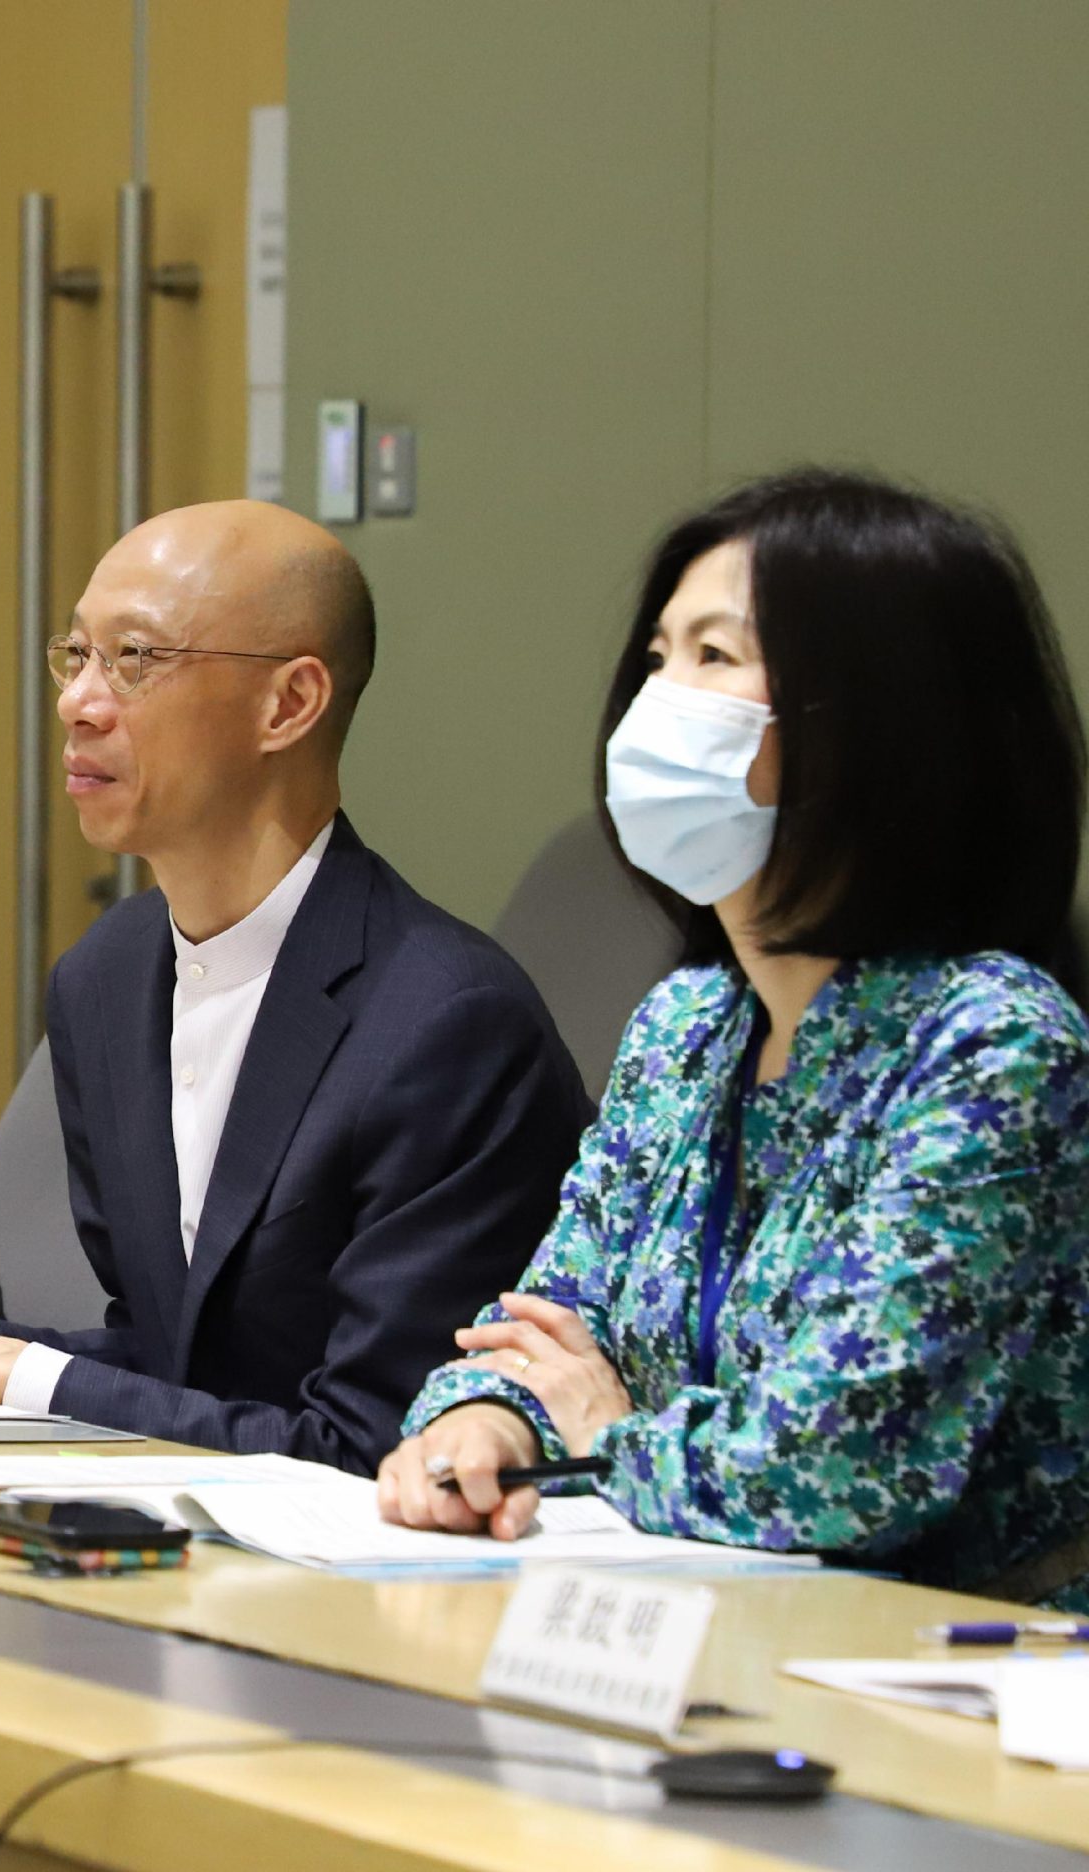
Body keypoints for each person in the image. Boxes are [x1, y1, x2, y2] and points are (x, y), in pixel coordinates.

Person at [0, 500, 586, 1471]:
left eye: (134, 659)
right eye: (75, 655)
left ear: (288, 704)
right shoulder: (107, 977)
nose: (79, 703)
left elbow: (374, 1445)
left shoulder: (445, 1023)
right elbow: (169, 1361)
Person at [375, 470, 1089, 1610]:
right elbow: (541, 1324)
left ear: (879, 723)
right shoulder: (685, 1024)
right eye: (658, 658)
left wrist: (610, 1432)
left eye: (713, 658)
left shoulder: (992, 1043)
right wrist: (475, 1426)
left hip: (955, 1673)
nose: (657, 701)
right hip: (693, 1620)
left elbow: (839, 1471)